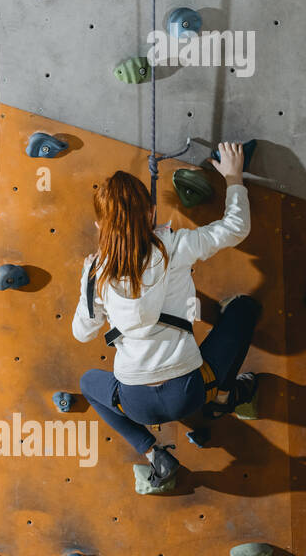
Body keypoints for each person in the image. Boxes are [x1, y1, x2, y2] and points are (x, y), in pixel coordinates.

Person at [73, 145, 262, 485]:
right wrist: (233, 176)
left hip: (136, 403)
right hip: (189, 391)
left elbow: (83, 332)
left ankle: (151, 451)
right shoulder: (174, 245)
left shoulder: (95, 273)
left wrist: (89, 281)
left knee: (88, 383)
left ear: (100, 226)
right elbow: (236, 227)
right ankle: (221, 398)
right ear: (151, 214)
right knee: (244, 309)